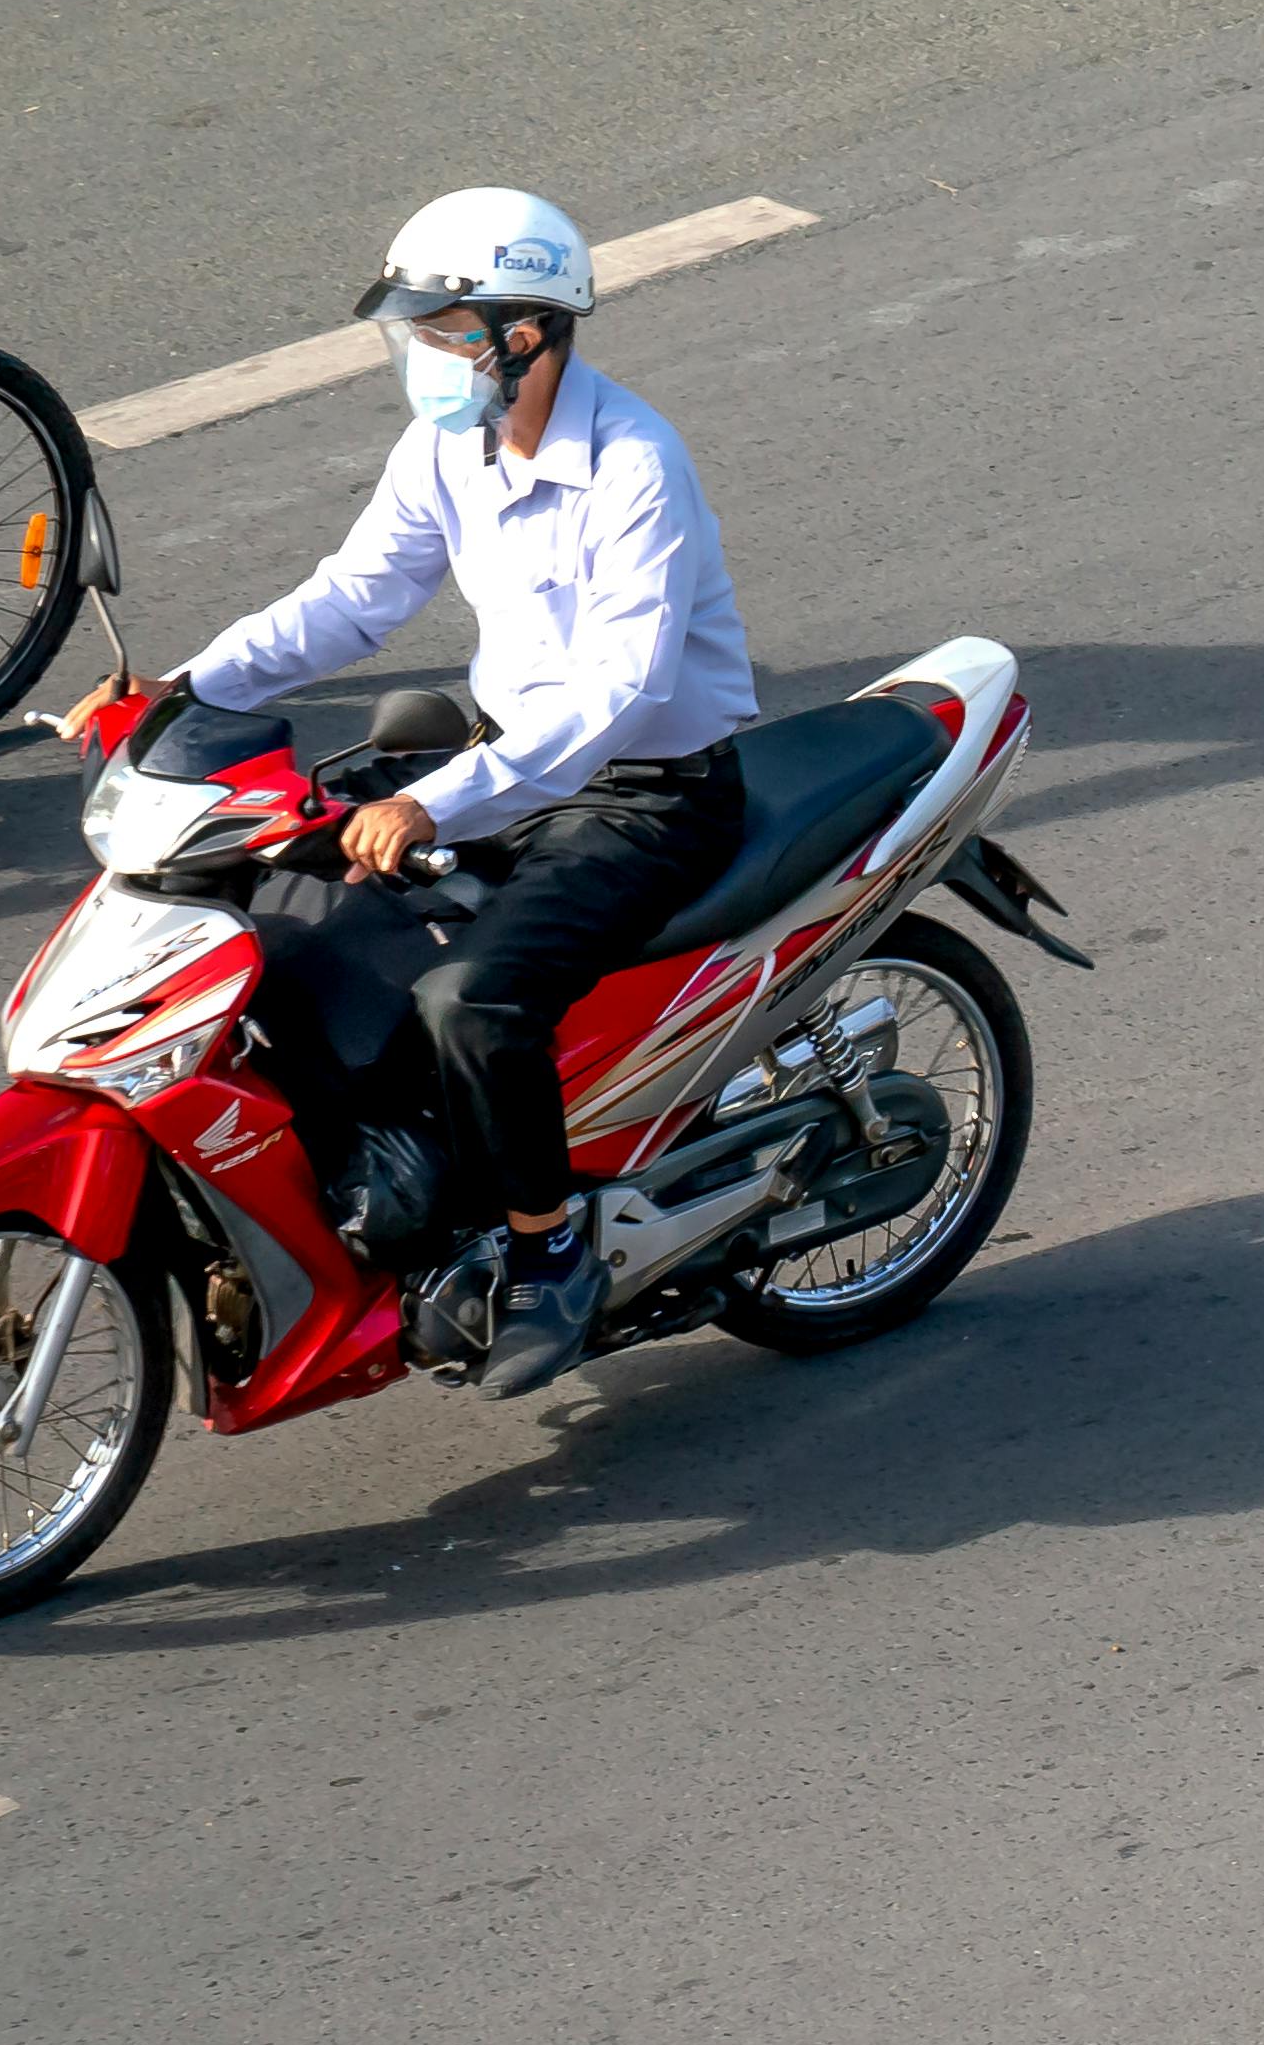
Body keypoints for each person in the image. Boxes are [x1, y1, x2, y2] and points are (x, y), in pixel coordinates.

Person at [73, 190, 755, 1399]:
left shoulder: (634, 468)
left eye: (444, 330)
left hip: (642, 794)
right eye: (416, 330)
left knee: (466, 999)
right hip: (508, 763)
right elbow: (352, 600)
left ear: (526, 336)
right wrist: (180, 686)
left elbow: (615, 695)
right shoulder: (452, 445)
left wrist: (440, 805)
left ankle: (550, 1256)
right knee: (274, 923)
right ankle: (385, 1190)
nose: (421, 355)